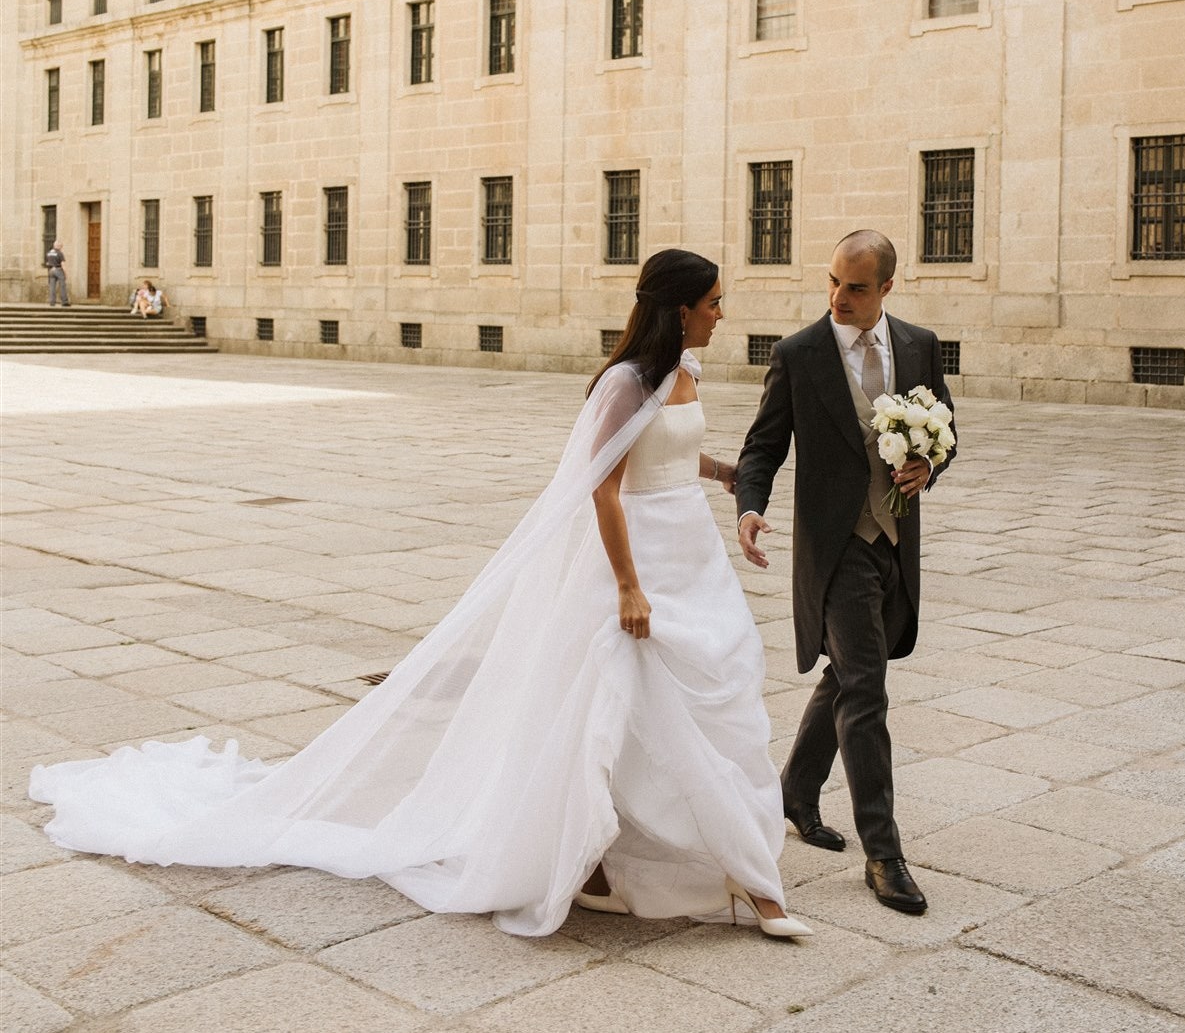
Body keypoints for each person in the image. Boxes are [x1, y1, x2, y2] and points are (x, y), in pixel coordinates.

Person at [31, 249, 809, 941]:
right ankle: (705, 876)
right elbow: (601, 487)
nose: (720, 314)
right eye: (712, 303)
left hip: (691, 553)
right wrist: (628, 586)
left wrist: (715, 472)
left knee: (689, 702)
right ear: (680, 308)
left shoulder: (684, 373)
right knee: (609, 705)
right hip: (637, 557)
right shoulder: (622, 379)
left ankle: (627, 863)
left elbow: (661, 449)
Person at [735, 230, 955, 916]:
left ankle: (795, 793)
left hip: (893, 540)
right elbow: (763, 444)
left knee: (849, 671)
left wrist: (929, 464)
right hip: (833, 550)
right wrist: (748, 506)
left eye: (855, 286)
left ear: (886, 288)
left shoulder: (918, 344)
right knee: (865, 686)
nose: (837, 296)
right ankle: (883, 852)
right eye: (831, 280)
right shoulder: (799, 353)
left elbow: (944, 427)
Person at [45, 241, 70, 306]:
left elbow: (47, 263)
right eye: (61, 246)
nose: (61, 248)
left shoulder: (48, 253)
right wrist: (65, 273)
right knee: (62, 286)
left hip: (51, 270)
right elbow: (63, 264)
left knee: (52, 287)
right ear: (58, 246)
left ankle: (52, 302)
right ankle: (64, 301)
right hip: (58, 270)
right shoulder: (59, 253)